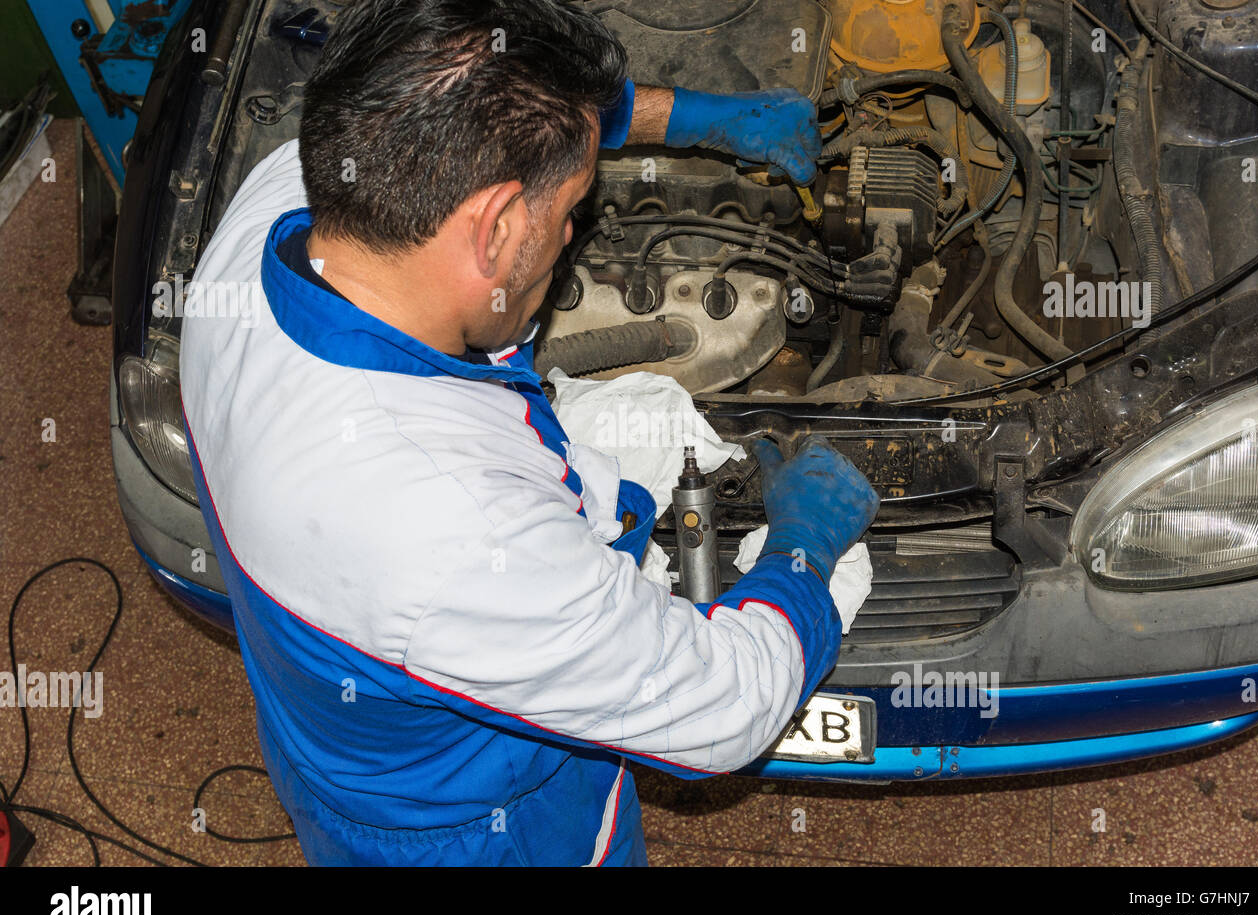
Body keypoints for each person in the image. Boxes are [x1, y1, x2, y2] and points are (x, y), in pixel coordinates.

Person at [179, 0, 878, 866]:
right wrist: (803, 552)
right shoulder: (455, 532)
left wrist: (705, 120)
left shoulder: (276, 212)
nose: (575, 234)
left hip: (347, 737)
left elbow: (501, 100)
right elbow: (724, 709)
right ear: (499, 227)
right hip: (476, 831)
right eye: (573, 209)